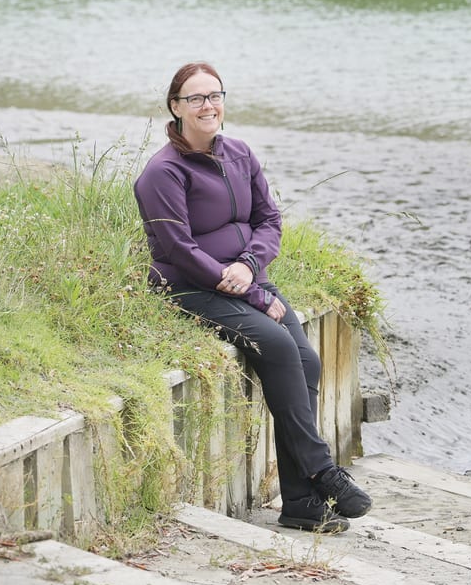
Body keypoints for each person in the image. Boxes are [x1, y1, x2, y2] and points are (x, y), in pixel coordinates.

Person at [133, 62, 371, 533]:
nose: (208, 105)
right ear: (175, 108)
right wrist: (250, 292)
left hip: (247, 279)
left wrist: (248, 268)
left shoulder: (239, 154)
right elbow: (178, 250)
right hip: (186, 287)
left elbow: (269, 221)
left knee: (308, 361)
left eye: (215, 95)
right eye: (196, 98)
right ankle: (322, 472)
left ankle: (301, 502)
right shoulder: (163, 172)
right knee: (279, 346)